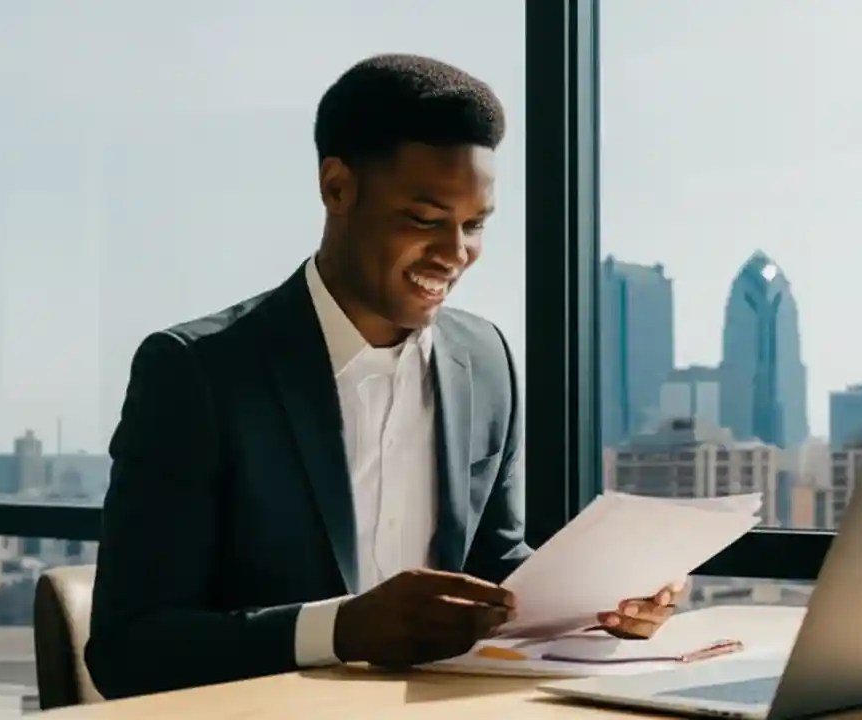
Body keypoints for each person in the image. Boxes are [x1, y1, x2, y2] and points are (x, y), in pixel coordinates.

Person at [85, 54, 683, 700]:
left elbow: (493, 564)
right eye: (426, 221)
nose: (456, 255)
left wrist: (602, 604)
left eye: (475, 225)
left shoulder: (484, 360)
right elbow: (129, 649)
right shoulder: (197, 372)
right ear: (337, 188)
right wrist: (341, 629)